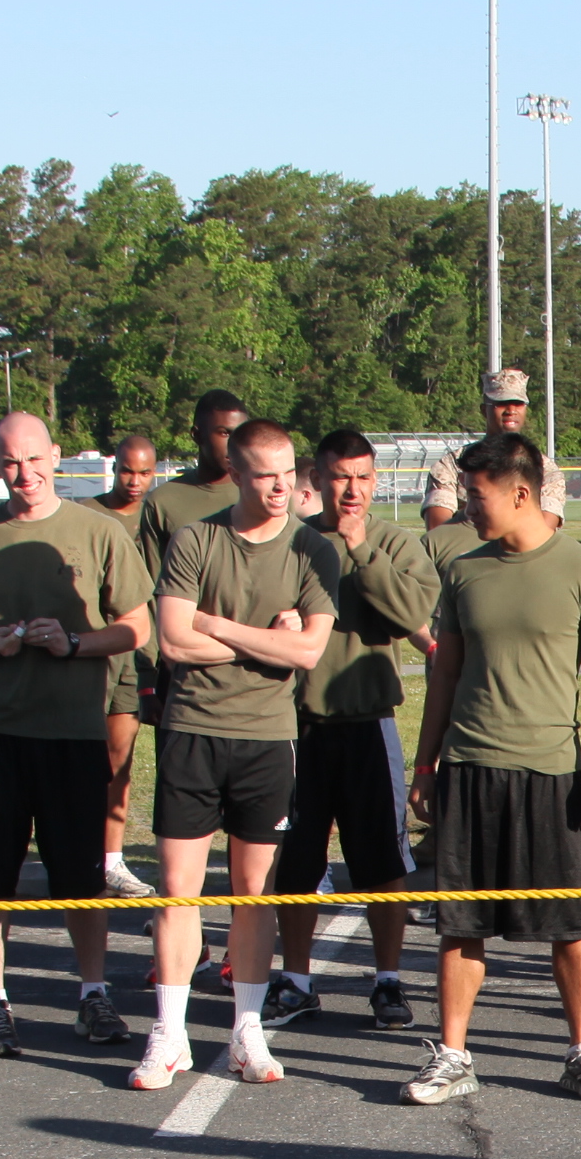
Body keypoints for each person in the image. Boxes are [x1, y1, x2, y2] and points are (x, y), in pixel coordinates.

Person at [404, 432, 581, 1105]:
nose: (467, 508)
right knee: (460, 922)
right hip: (471, 770)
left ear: (520, 492)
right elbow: (444, 672)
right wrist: (425, 762)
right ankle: (453, 1053)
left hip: (550, 774)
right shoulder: (465, 570)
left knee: (571, 925)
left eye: (477, 496)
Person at [0, 412, 155, 1057]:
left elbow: (135, 625)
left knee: (81, 876)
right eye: (8, 462)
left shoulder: (98, 530)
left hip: (74, 732)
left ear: (55, 456)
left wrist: (76, 642)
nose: (23, 474)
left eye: (33, 460)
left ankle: (92, 994)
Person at [131, 421, 334, 1091]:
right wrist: (253, 636)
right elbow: (175, 643)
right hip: (192, 732)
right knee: (177, 891)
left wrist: (213, 622)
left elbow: (307, 653)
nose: (280, 487)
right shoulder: (197, 539)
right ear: (237, 474)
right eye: (263, 475)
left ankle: (247, 1030)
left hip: (267, 740)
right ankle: (169, 1032)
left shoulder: (312, 550)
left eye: (287, 473)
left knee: (255, 893)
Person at [275, 430, 439, 1032]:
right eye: (341, 477)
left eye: (364, 478)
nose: (353, 490)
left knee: (381, 861)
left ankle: (389, 981)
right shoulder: (292, 541)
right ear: (317, 479)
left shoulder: (395, 541)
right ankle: (296, 980)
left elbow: (409, 613)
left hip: (370, 721)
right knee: (296, 859)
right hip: (299, 723)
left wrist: (361, 549)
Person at [134, 395, 250, 961]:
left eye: (238, 434)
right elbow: (148, 600)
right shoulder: (166, 502)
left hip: (255, 691)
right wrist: (152, 683)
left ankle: (237, 952)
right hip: (185, 687)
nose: (229, 445)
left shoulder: (258, 496)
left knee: (249, 841)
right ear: (198, 433)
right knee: (186, 836)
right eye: (220, 434)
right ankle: (186, 945)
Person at [94, 432, 166, 896]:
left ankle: (112, 859)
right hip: (100, 645)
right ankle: (85, 852)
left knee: (121, 762)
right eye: (126, 470)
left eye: (144, 472)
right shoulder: (90, 515)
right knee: (87, 759)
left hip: (146, 652)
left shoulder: (157, 515)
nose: (135, 481)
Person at [421, 369, 567, 528]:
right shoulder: (451, 465)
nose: (511, 411)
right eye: (501, 403)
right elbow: (439, 532)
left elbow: (544, 530)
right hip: (467, 551)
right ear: (484, 410)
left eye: (518, 404)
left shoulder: (545, 469)